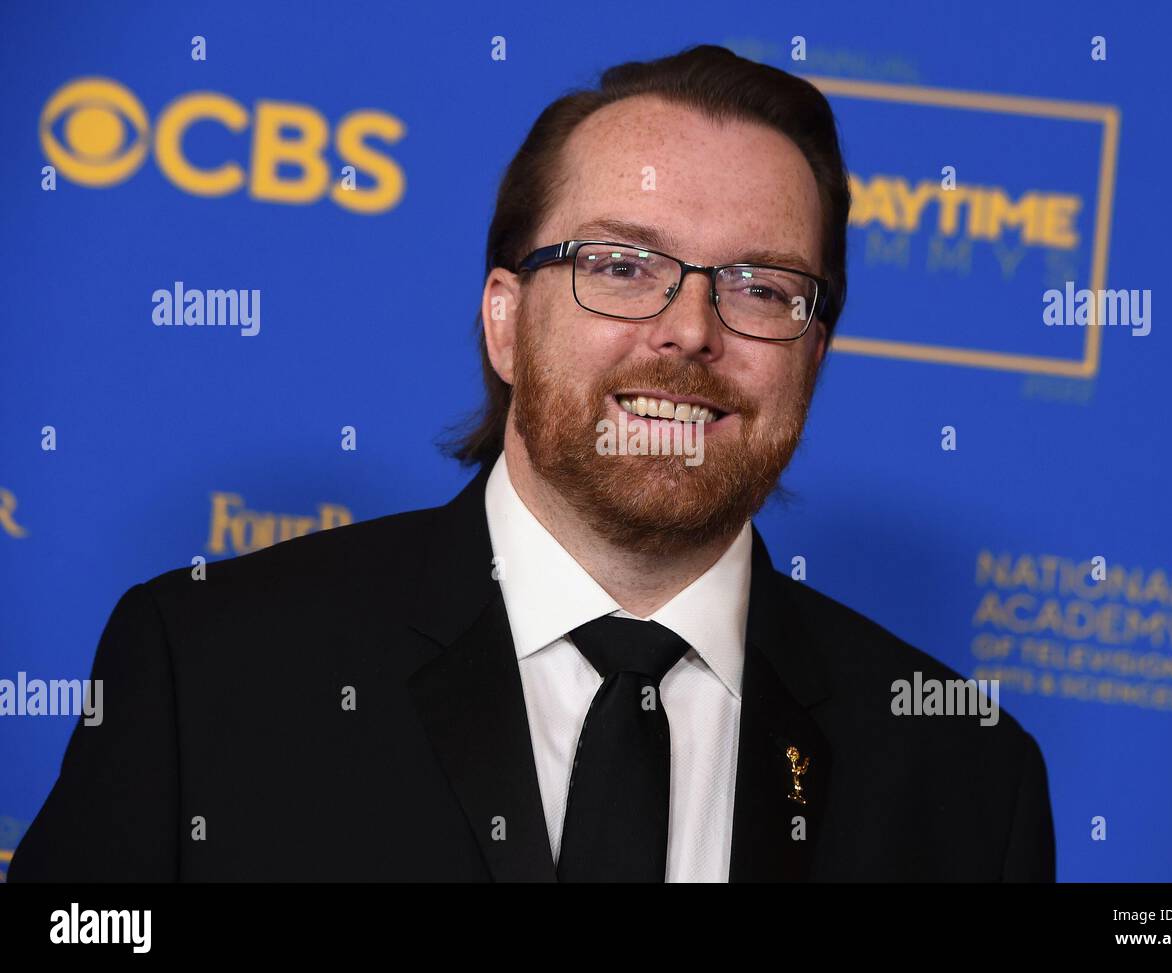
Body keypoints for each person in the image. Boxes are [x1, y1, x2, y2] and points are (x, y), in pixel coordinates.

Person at [10, 44, 1054, 882]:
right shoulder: (209, 669)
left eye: (762, 288)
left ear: (812, 359)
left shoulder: (965, 775)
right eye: (622, 265)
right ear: (504, 323)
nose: (690, 329)